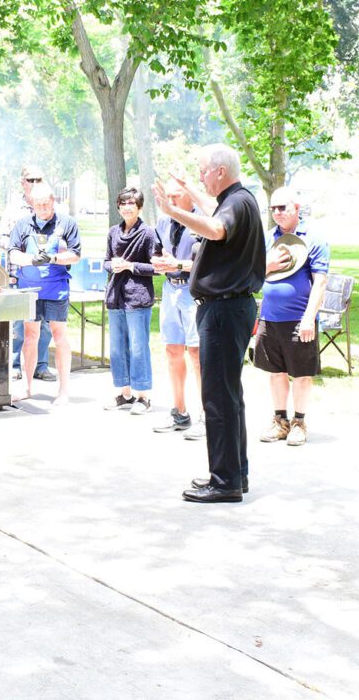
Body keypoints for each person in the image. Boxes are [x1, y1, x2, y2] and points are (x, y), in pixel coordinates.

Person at [154, 146, 264, 503]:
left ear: (219, 171)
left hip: (224, 312)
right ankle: (235, 474)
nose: (199, 177)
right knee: (229, 397)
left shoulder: (237, 203)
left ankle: (225, 482)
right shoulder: (238, 199)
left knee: (217, 398)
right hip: (230, 310)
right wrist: (190, 189)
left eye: (202, 171)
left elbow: (216, 228)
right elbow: (216, 213)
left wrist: (175, 212)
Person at [255, 187, 331, 447]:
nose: (277, 213)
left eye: (282, 208)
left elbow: (320, 282)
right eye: (273, 208)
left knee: (301, 374)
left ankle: (299, 422)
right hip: (269, 318)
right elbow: (255, 274)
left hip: (300, 319)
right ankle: (280, 421)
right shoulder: (267, 239)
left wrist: (309, 318)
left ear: (297, 208)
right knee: (275, 373)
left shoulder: (314, 238)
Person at [8, 182, 83, 408]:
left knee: (59, 336)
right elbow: (12, 255)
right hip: (29, 289)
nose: (41, 208)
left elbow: (76, 255)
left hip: (56, 289)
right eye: (37, 204)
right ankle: (27, 387)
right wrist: (30, 260)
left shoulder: (67, 223)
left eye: (45, 204)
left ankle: (63, 391)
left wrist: (53, 259)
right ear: (31, 203)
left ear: (53, 201)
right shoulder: (22, 224)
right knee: (30, 336)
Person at [151, 188, 203, 435]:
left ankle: (207, 416)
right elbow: (157, 251)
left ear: (190, 196)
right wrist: (159, 262)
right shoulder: (162, 222)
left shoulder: (202, 221)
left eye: (175, 196)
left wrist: (179, 264)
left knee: (197, 353)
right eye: (168, 198)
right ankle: (180, 413)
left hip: (194, 292)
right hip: (170, 289)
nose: (170, 201)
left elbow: (210, 262)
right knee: (173, 350)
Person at [103, 187, 159, 415]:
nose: (126, 207)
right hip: (115, 296)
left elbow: (156, 267)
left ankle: (143, 396)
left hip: (138, 297)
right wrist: (113, 265)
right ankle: (125, 393)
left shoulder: (148, 233)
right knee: (117, 348)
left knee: (138, 348)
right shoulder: (113, 232)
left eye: (131, 204)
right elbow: (106, 261)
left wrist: (130, 266)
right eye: (123, 203)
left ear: (139, 207)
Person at [2, 165, 54, 383]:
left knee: (45, 324)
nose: (34, 183)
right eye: (29, 179)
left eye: (38, 179)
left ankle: (41, 366)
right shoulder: (13, 209)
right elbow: (1, 238)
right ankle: (14, 365)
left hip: (46, 278)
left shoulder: (52, 206)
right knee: (18, 323)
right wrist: (17, 248)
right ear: (22, 182)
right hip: (19, 274)